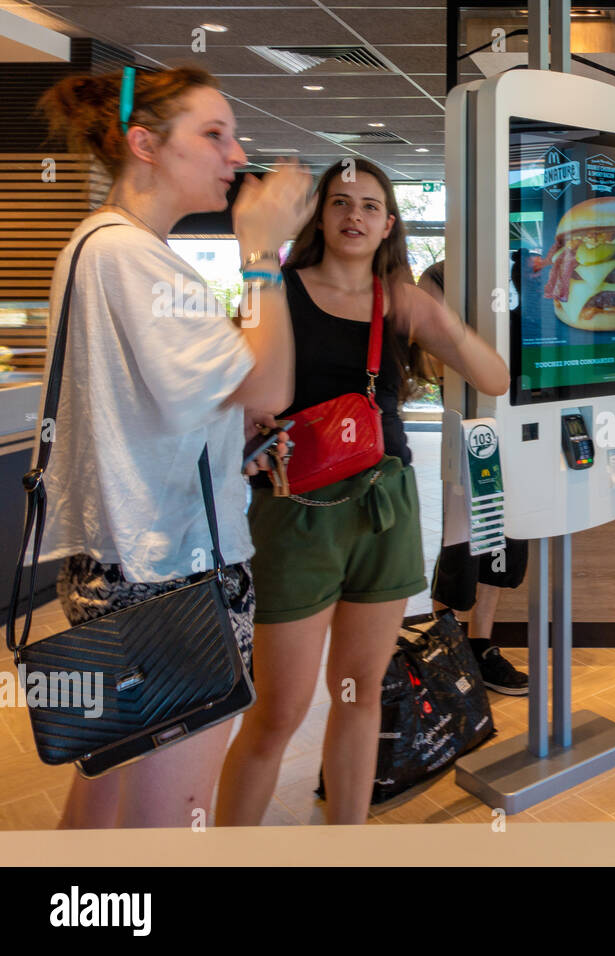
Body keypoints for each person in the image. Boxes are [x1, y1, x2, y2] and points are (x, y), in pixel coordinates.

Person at [33, 65, 313, 828]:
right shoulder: (131, 255)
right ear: (144, 144)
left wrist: (230, 444)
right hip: (171, 576)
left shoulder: (101, 245)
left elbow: (174, 407)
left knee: (106, 791)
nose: (236, 154)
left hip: (126, 562)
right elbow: (269, 385)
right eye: (214, 134)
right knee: (171, 815)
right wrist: (262, 253)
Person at [217, 161, 509, 826]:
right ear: (318, 215)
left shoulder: (399, 302)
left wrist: (440, 320)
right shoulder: (277, 291)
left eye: (371, 205)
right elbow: (240, 401)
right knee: (278, 712)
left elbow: (492, 375)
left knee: (359, 695)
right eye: (340, 202)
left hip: (386, 508)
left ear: (389, 224)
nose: (355, 215)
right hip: (295, 515)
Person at [417, 260, 528, 695]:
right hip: (467, 427)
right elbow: (429, 367)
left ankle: (481, 644)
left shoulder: (525, 278)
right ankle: (443, 647)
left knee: (503, 540)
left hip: (519, 426)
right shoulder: (441, 276)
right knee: (460, 540)